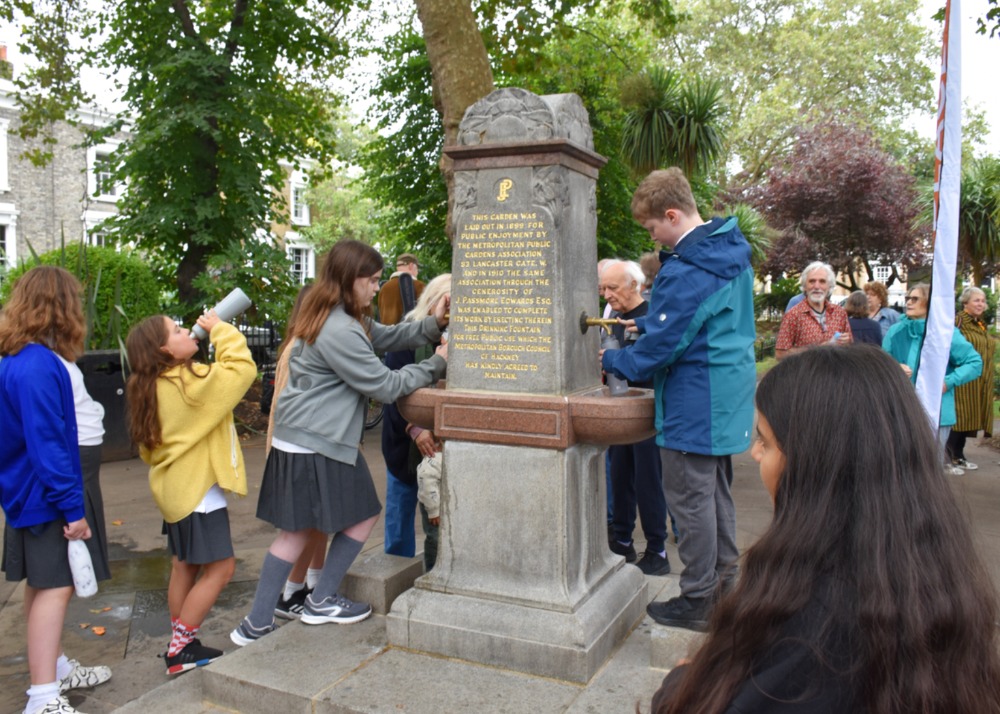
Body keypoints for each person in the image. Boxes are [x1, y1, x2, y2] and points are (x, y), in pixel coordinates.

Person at [651, 345, 1000, 714]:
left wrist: (677, 684)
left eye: (766, 442)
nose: (755, 454)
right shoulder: (927, 563)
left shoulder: (812, 620)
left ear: (816, 464)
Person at [231, 239, 448, 646]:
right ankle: (321, 599)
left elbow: (389, 335)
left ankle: (257, 623)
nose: (374, 289)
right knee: (363, 514)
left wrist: (434, 324)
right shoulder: (340, 329)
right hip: (319, 440)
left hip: (302, 438)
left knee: (295, 532)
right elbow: (385, 386)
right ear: (351, 280)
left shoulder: (338, 314)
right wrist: (438, 361)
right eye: (372, 281)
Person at [602, 168, 756, 631]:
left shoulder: (691, 266)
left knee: (690, 502)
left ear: (672, 215)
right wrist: (649, 323)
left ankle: (698, 599)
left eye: (653, 229)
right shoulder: (726, 251)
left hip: (696, 399)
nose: (655, 240)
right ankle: (724, 588)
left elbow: (662, 352)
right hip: (724, 394)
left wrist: (615, 364)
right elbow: (705, 322)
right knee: (715, 498)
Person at [0, 266, 112, 714]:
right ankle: (43, 696)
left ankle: (56, 668)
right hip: (45, 493)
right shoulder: (39, 366)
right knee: (55, 587)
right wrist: (73, 509)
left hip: (26, 489)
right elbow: (49, 445)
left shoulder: (16, 358)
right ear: (61, 307)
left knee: (44, 583)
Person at [125, 308, 256, 675]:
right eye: (178, 330)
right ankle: (181, 648)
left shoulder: (151, 386)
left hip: (173, 491)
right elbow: (241, 370)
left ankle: (179, 641)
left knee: (185, 565)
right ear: (164, 350)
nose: (187, 332)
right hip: (197, 492)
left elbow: (147, 450)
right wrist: (221, 330)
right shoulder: (189, 383)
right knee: (222, 568)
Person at [600, 259, 672, 575]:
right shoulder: (612, 319)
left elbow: (652, 363)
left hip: (649, 413)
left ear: (636, 286)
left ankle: (657, 549)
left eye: (612, 288)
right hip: (620, 410)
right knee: (619, 476)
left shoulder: (652, 318)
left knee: (648, 481)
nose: (606, 295)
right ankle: (623, 541)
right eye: (603, 288)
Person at [265, 285, 329, 620]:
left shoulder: (310, 347)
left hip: (311, 450)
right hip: (298, 454)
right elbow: (281, 410)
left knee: (320, 524)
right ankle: (291, 592)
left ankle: (314, 584)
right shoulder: (297, 351)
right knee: (304, 527)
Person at [382, 274, 450, 564]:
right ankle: (397, 571)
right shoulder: (409, 333)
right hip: (403, 445)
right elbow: (392, 389)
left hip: (442, 445)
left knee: (437, 520)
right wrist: (415, 427)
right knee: (399, 515)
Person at [882, 283, 982, 476]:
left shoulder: (945, 333)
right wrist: (893, 368)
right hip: (900, 410)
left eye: (915, 299)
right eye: (908, 298)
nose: (909, 302)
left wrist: (947, 382)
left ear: (929, 302)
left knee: (928, 474)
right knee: (898, 471)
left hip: (936, 413)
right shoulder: (896, 331)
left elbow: (974, 363)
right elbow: (881, 363)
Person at [947, 287, 996, 471]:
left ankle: (958, 455)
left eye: (983, 301)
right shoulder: (958, 321)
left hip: (978, 382)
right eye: (976, 300)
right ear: (965, 302)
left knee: (969, 418)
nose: (981, 304)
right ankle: (947, 457)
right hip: (961, 380)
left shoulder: (980, 324)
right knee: (959, 418)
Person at [774, 262, 852, 359]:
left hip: (835, 373)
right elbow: (780, 354)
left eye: (822, 281)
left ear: (829, 287)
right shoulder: (793, 315)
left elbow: (850, 347)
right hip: (806, 373)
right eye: (812, 281)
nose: (816, 286)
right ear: (805, 286)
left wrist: (846, 342)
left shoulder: (839, 313)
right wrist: (818, 349)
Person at [376, 252, 424, 325]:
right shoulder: (418, 285)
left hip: (386, 334)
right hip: (408, 334)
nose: (417, 272)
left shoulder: (384, 287)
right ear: (411, 266)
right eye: (417, 268)